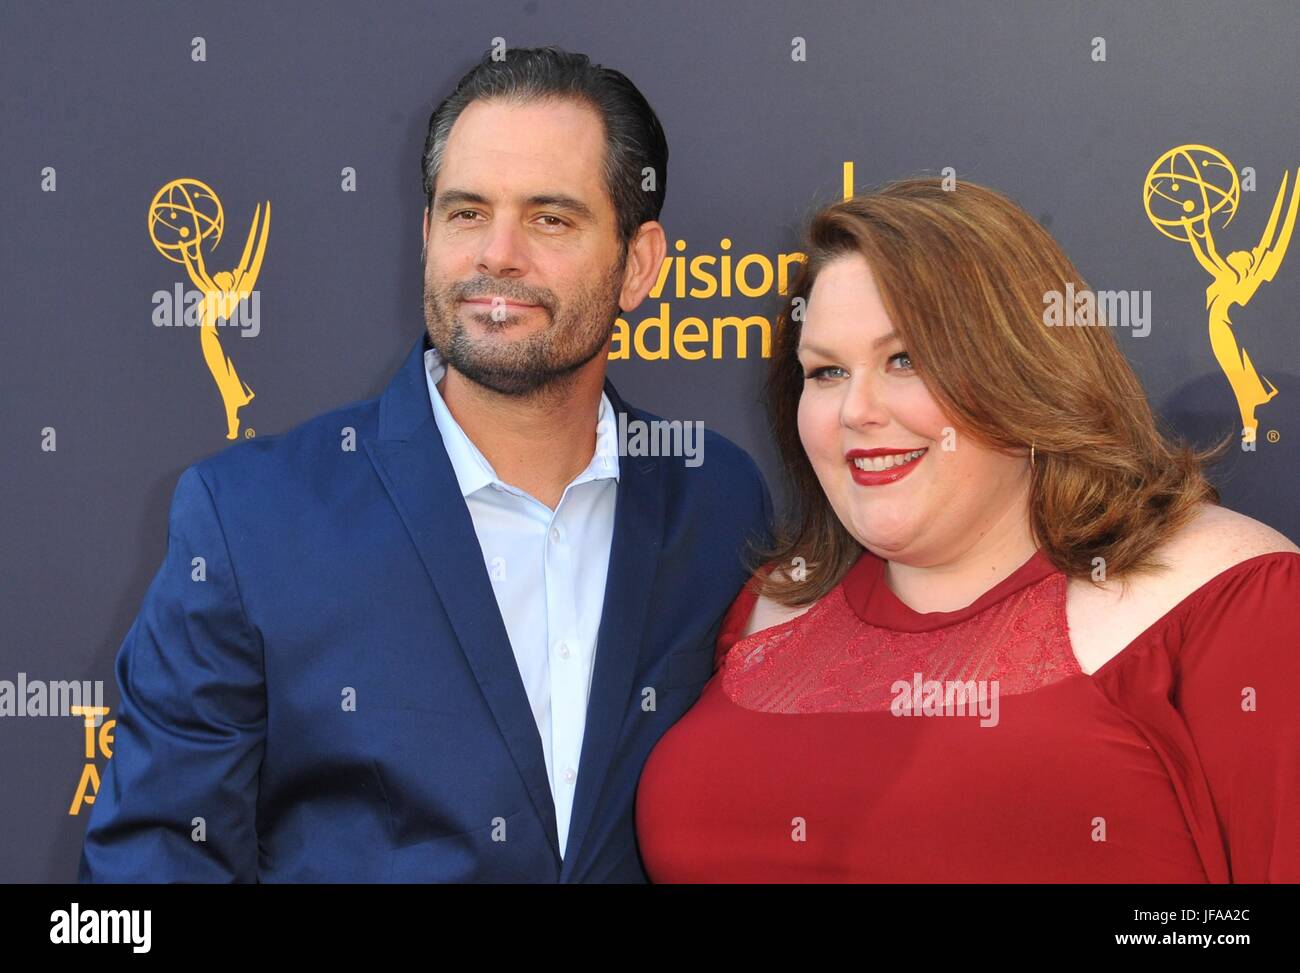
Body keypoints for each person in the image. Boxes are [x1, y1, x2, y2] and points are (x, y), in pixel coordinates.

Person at [79, 46, 772, 883]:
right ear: (427, 233)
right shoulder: (252, 518)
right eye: (467, 213)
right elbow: (151, 868)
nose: (498, 255)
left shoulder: (717, 499)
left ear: (639, 264)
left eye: (551, 218)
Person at [635, 177, 1300, 882]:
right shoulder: (764, 612)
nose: (857, 409)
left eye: (905, 359)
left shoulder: (1229, 594)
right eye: (825, 371)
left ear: (1021, 371)